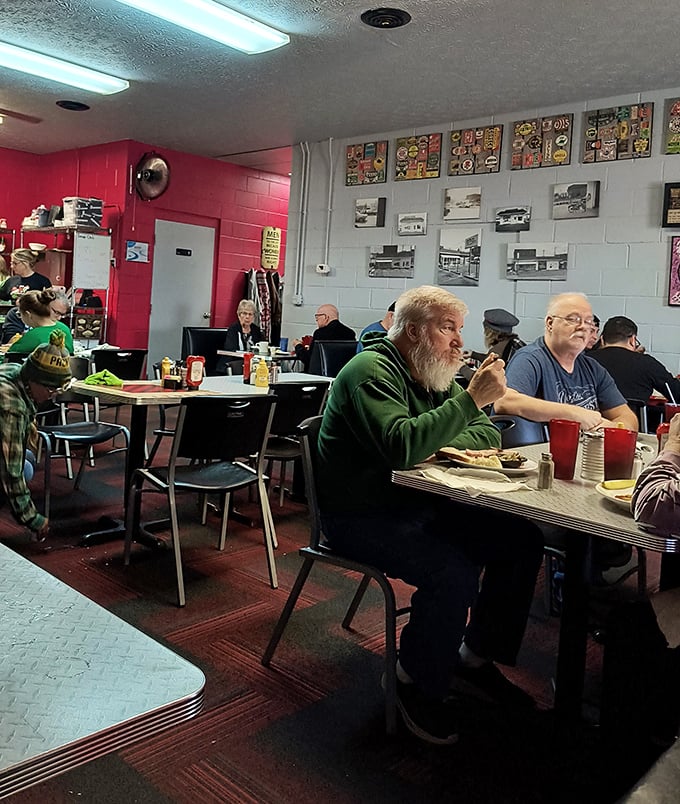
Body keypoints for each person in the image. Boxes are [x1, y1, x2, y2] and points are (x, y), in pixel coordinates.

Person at [317, 285, 543, 744]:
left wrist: (437, 436)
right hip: (359, 517)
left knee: (521, 540)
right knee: (451, 572)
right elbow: (403, 447)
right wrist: (465, 405)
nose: (460, 342)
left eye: (460, 329)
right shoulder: (369, 370)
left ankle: (475, 657)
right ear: (415, 331)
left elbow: (488, 437)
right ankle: (409, 682)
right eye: (448, 329)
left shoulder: (430, 372)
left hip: (417, 505)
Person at [495, 293, 638, 432]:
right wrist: (575, 415)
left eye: (588, 321)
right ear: (550, 323)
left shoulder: (593, 368)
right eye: (573, 319)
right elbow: (505, 401)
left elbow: (627, 418)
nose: (583, 326)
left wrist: (608, 429)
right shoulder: (530, 359)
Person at [0, 329, 72, 539]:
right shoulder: (10, 405)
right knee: (24, 469)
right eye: (51, 390)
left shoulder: (15, 370)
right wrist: (33, 519)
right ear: (35, 380)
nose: (52, 396)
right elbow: (10, 470)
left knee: (29, 457)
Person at [588, 315, 680, 403]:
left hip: (590, 418)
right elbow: (676, 393)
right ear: (633, 340)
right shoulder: (647, 363)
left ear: (602, 339)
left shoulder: (585, 361)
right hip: (636, 418)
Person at [7, 289, 74, 355]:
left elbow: (11, 356)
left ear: (28, 314)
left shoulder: (32, 336)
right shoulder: (64, 328)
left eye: (20, 314)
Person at [293, 303, 356, 371]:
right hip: (341, 375)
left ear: (326, 317)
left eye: (317, 317)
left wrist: (298, 345)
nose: (316, 320)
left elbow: (309, 359)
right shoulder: (350, 333)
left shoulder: (320, 333)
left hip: (319, 376)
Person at [215, 299, 263, 374]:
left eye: (250, 314)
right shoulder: (233, 329)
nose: (247, 317)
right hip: (233, 363)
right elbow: (230, 349)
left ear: (253, 317)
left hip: (252, 364)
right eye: (244, 313)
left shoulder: (256, 330)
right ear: (239, 315)